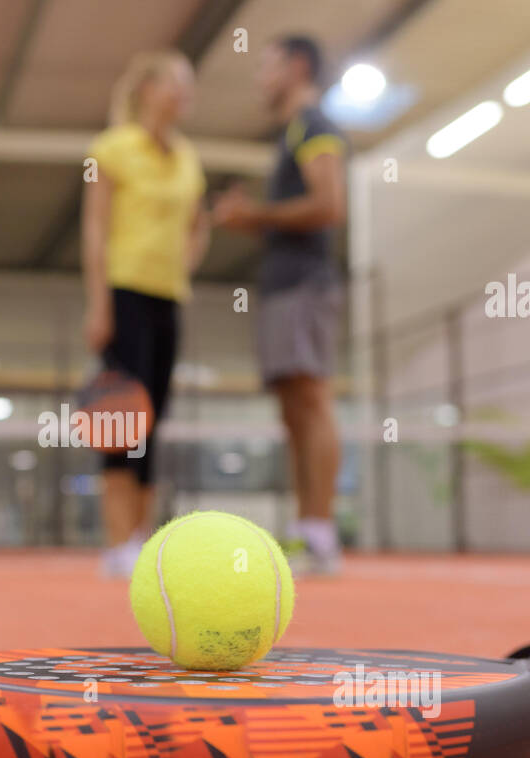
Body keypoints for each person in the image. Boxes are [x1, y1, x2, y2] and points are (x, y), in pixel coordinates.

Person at [212, 35, 348, 573]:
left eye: (267, 65)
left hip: (306, 285)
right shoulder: (293, 133)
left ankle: (320, 529)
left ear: (297, 66)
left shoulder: (314, 126)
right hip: (284, 284)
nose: (259, 77)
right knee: (293, 408)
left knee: (311, 398)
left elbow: (329, 204)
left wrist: (258, 216)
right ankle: (307, 527)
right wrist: (253, 221)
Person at [82, 51, 209, 577]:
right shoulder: (112, 148)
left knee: (154, 417)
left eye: (189, 85)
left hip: (167, 297)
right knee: (121, 415)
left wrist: (184, 267)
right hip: (123, 290)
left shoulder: (188, 158)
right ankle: (116, 543)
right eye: (175, 83)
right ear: (149, 89)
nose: (184, 93)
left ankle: (142, 541)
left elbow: (199, 224)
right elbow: (94, 228)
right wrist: (99, 303)